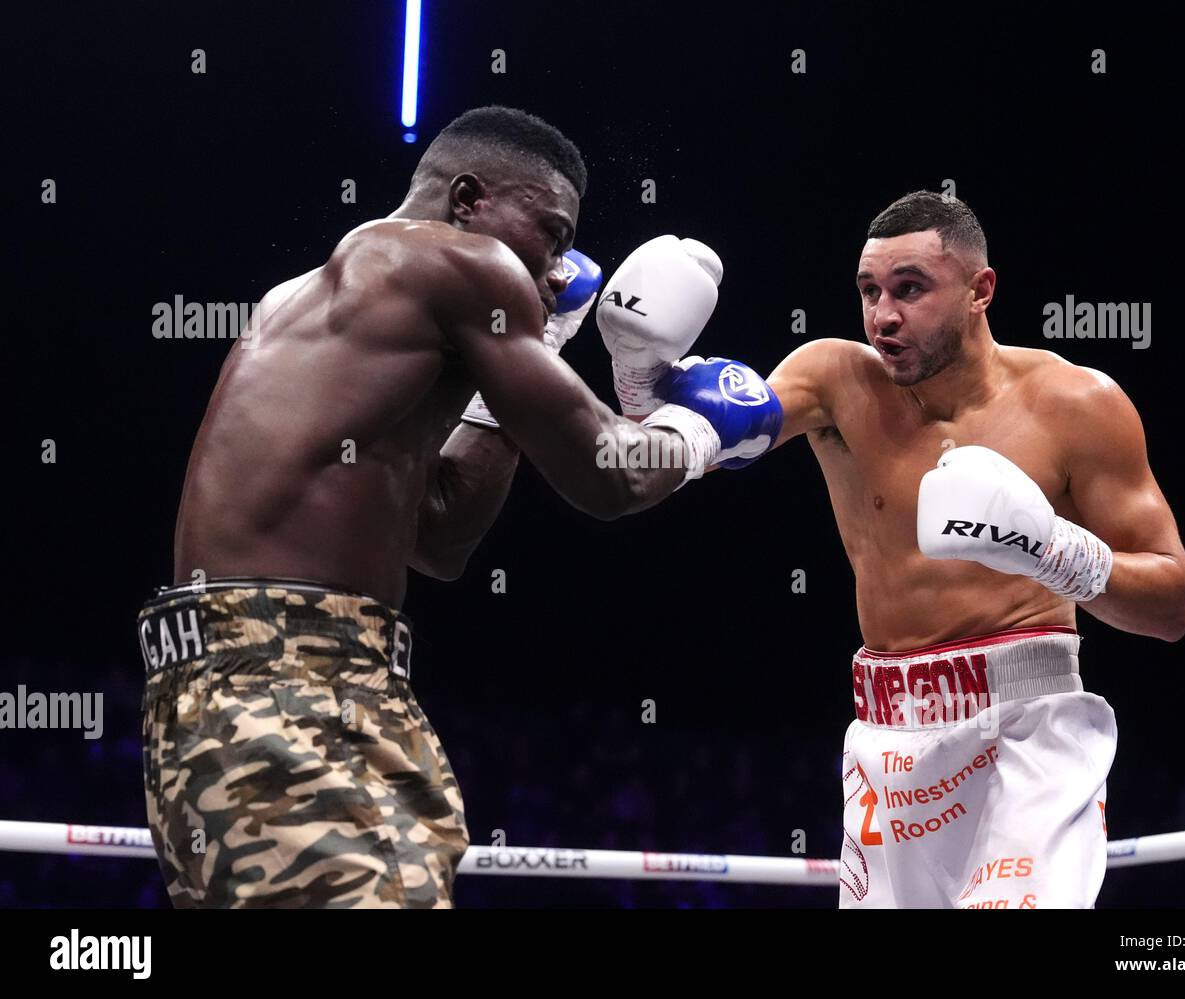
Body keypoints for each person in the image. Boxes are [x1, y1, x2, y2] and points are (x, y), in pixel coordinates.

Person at [137, 104, 782, 908]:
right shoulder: (455, 262)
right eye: (550, 233)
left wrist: (537, 346)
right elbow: (609, 472)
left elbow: (440, 535)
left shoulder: (316, 296)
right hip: (285, 683)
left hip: (272, 676)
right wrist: (699, 427)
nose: (554, 269)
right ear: (469, 199)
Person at [759, 191, 1185, 908]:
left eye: (910, 289)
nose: (883, 315)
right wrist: (642, 377)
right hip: (886, 739)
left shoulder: (1076, 404)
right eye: (869, 291)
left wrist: (1051, 548)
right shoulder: (837, 381)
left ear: (979, 291)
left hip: (1027, 735)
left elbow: (1174, 602)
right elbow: (692, 453)